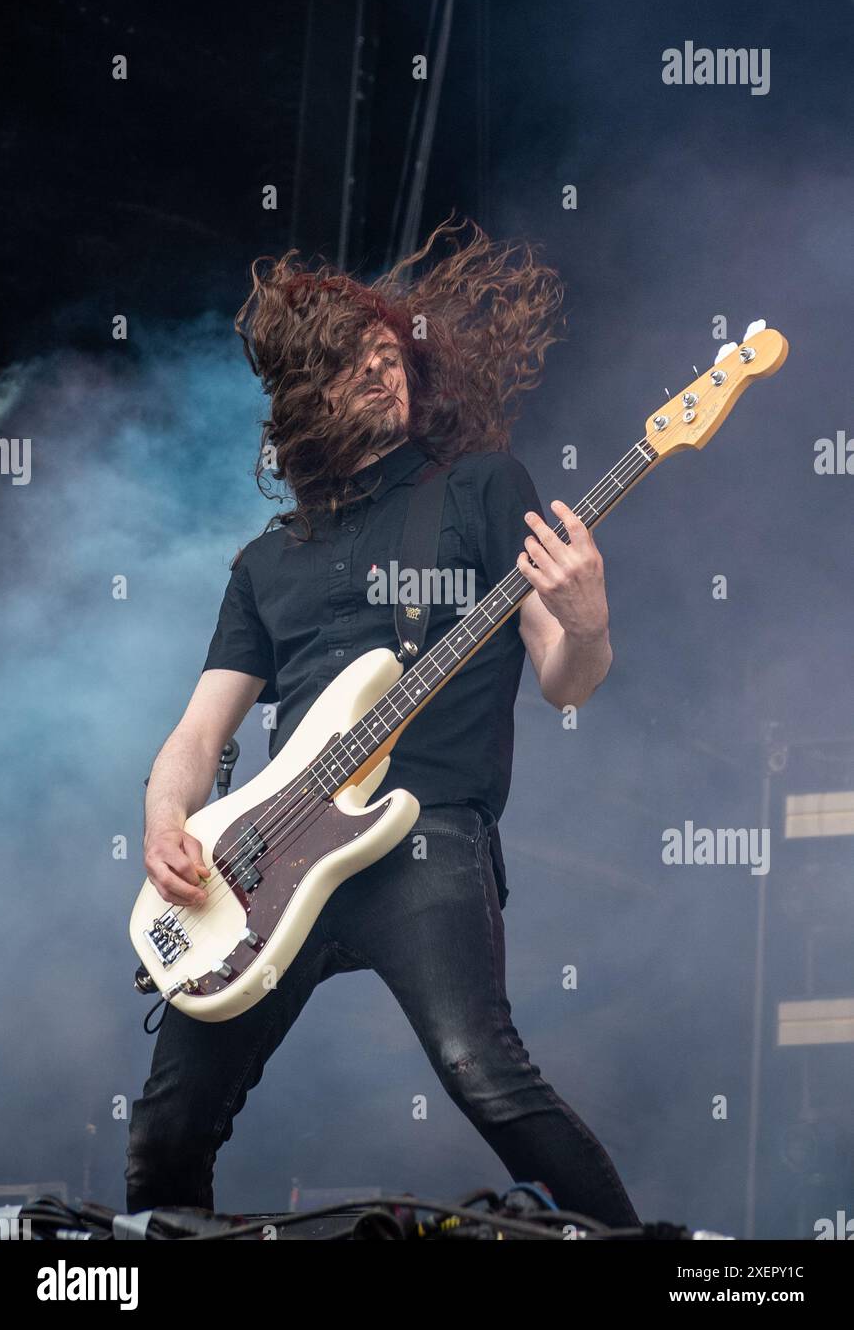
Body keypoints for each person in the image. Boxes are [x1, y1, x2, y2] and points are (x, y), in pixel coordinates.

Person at [125, 215, 640, 1227]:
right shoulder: (266, 560)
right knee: (167, 1125)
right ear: (302, 401)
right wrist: (165, 823)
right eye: (357, 366)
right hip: (266, 862)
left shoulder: (480, 487)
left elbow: (565, 678)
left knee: (479, 1067)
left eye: (388, 355)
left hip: (422, 831)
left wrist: (589, 621)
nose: (385, 372)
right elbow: (196, 738)